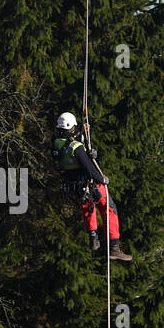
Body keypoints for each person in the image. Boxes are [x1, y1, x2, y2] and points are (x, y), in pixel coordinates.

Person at [50, 112, 132, 262]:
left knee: (88, 209)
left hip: (74, 187)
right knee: (109, 209)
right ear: (71, 127)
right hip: (89, 184)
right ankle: (114, 246)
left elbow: (60, 163)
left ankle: (93, 237)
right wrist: (103, 179)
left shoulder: (56, 144)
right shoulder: (76, 146)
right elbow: (88, 167)